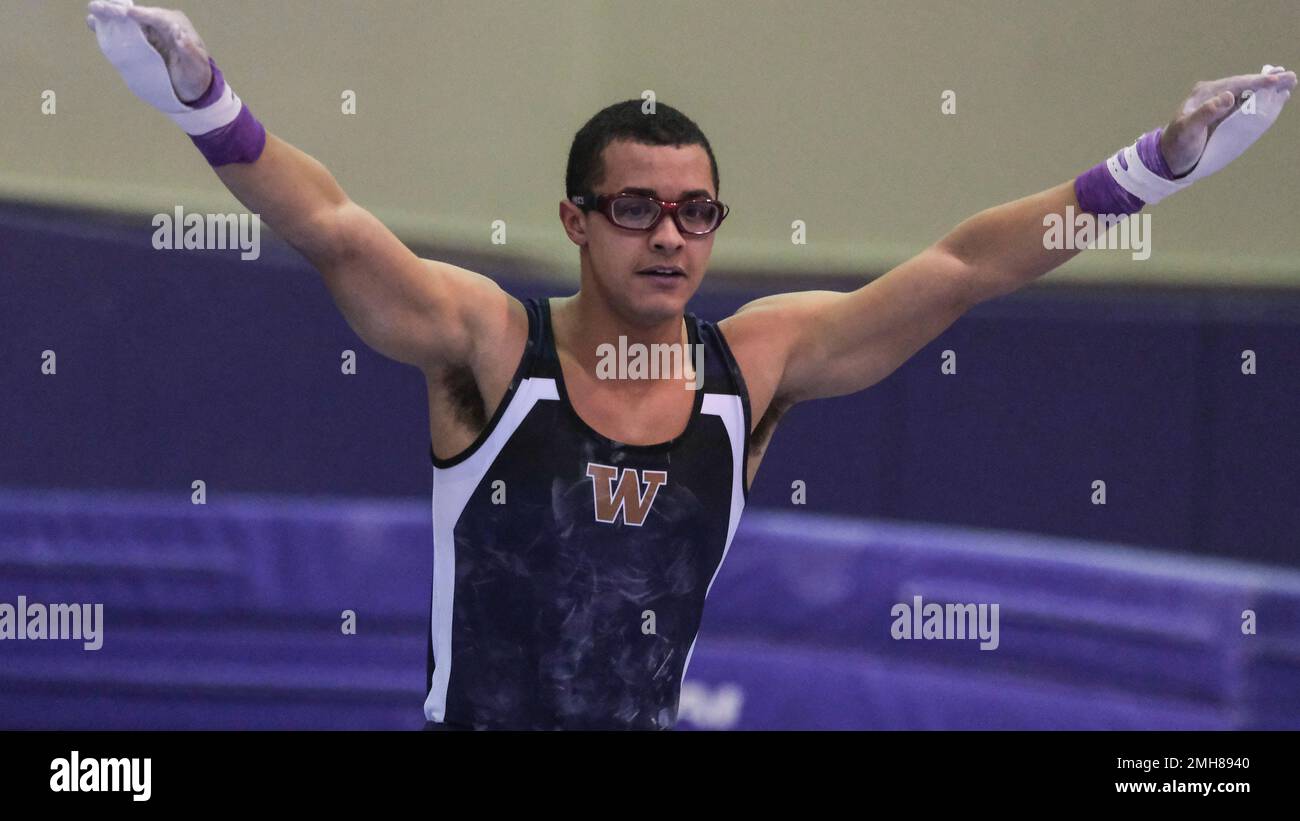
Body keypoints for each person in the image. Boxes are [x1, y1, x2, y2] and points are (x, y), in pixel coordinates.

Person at [87, 0, 1295, 730]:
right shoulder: (492, 349)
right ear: (574, 220)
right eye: (636, 207)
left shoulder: (752, 369)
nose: (670, 234)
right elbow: (335, 227)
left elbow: (965, 264)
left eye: (697, 210)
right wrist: (206, 103)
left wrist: (1152, 168)